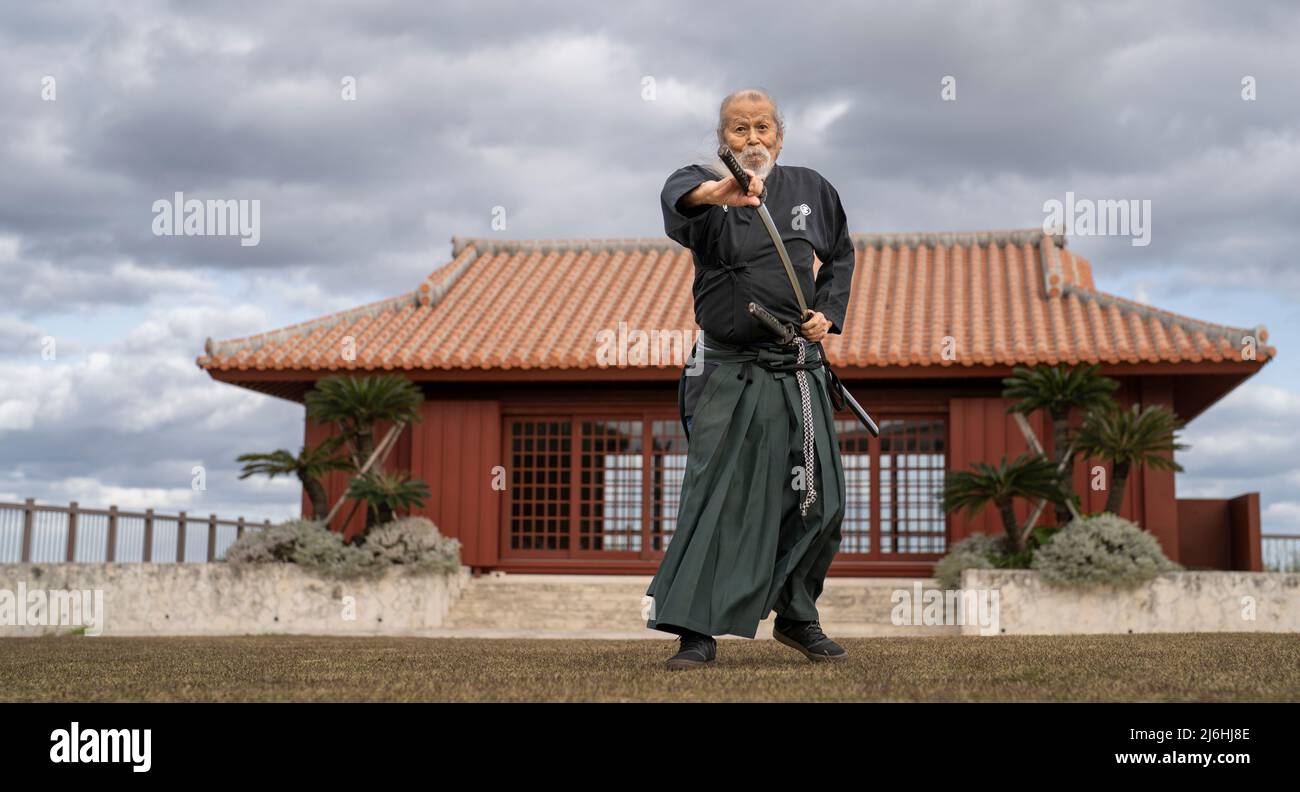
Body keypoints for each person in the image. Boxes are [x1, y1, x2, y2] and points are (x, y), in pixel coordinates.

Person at [644, 87, 856, 669]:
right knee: (716, 495)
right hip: (727, 370)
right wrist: (721, 192)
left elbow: (840, 254)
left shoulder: (813, 188)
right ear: (723, 140)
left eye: (763, 127)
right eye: (739, 129)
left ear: (780, 136)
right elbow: (677, 198)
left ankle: (797, 616)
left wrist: (829, 312)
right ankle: (695, 630)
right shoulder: (702, 185)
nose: (753, 138)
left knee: (821, 499)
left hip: (797, 369)